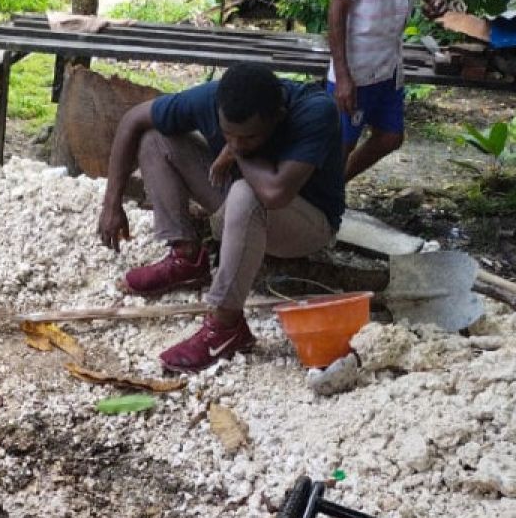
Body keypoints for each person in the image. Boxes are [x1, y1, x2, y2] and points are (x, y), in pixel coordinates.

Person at [98, 63, 345, 373]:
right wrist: (112, 203)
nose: (238, 141)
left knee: (247, 192)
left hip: (306, 222)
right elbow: (133, 119)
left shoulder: (314, 111)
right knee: (155, 138)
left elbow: (275, 193)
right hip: (241, 202)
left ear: (278, 117)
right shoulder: (213, 98)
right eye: (229, 133)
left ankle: (226, 326)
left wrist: (234, 152)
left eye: (249, 137)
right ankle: (186, 256)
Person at [328, 0, 447, 181]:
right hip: (357, 69)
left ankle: (335, 188)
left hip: (388, 66)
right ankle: (318, 200)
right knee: (341, 144)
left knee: (390, 136)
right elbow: (337, 9)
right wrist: (342, 76)